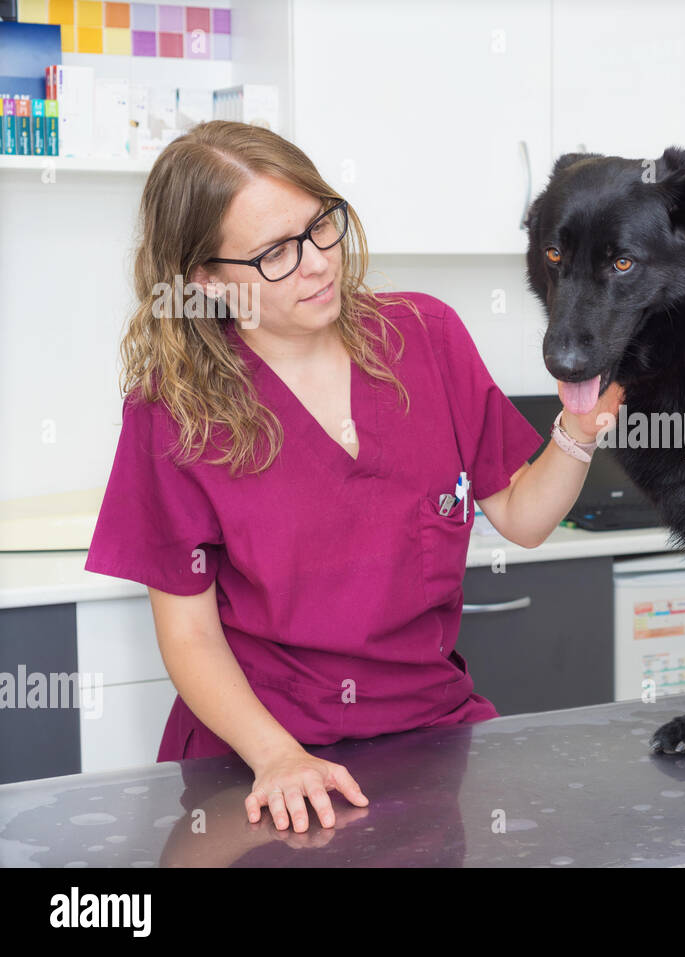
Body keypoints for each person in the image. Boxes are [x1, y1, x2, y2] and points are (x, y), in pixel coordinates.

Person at [84, 121, 623, 834]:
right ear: (206, 281)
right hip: (256, 764)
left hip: (429, 740)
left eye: (319, 226)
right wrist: (278, 756)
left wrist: (577, 437)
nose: (316, 263)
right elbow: (188, 634)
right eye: (276, 252)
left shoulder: (426, 338)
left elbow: (521, 518)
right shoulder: (174, 410)